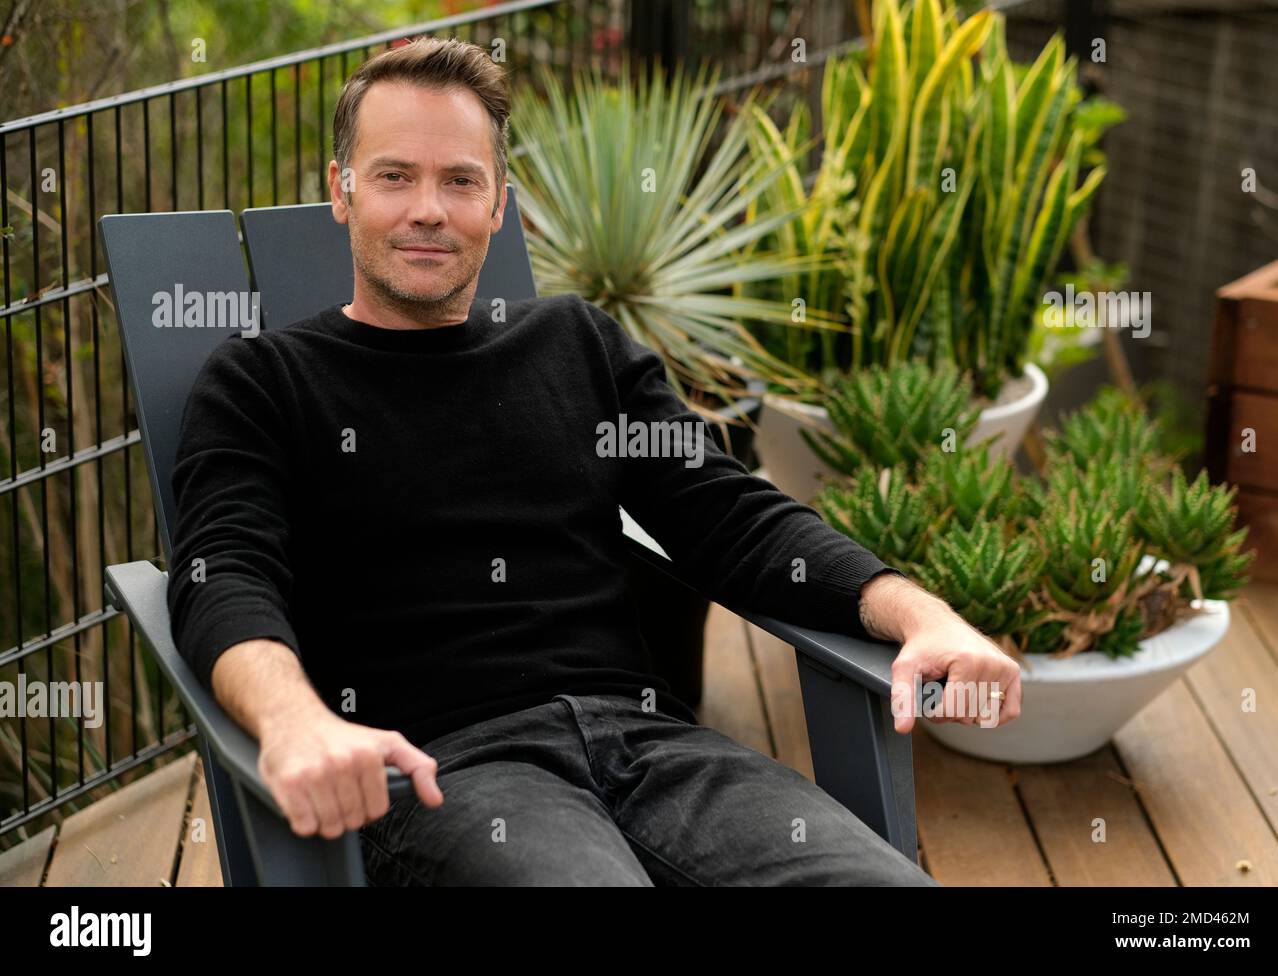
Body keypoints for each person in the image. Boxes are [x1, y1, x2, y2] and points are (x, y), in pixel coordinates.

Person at [167, 36, 1021, 886]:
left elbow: (727, 512)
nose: (429, 208)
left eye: (460, 180)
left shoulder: (573, 344)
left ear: (499, 204)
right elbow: (222, 575)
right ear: (341, 191)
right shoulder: (264, 382)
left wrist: (920, 616)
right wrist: (293, 721)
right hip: (447, 774)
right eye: (394, 175)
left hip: (651, 745)